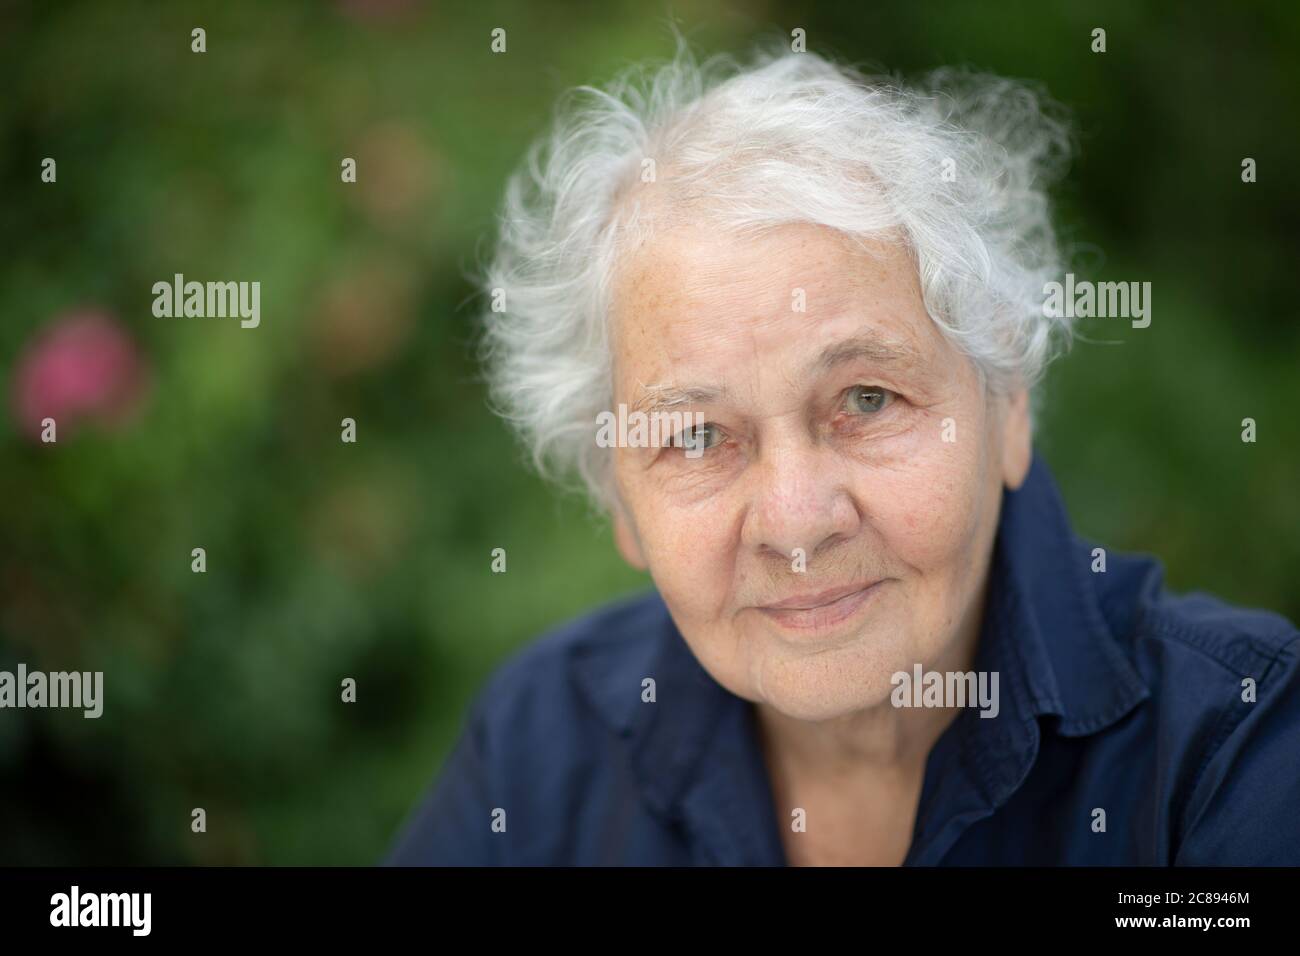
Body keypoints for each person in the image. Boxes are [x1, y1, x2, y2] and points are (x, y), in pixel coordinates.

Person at [388, 44, 1300, 866]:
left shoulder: (1233, 751)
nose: (795, 522)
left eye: (868, 400)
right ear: (619, 498)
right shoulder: (543, 746)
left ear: (1008, 406)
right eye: (697, 436)